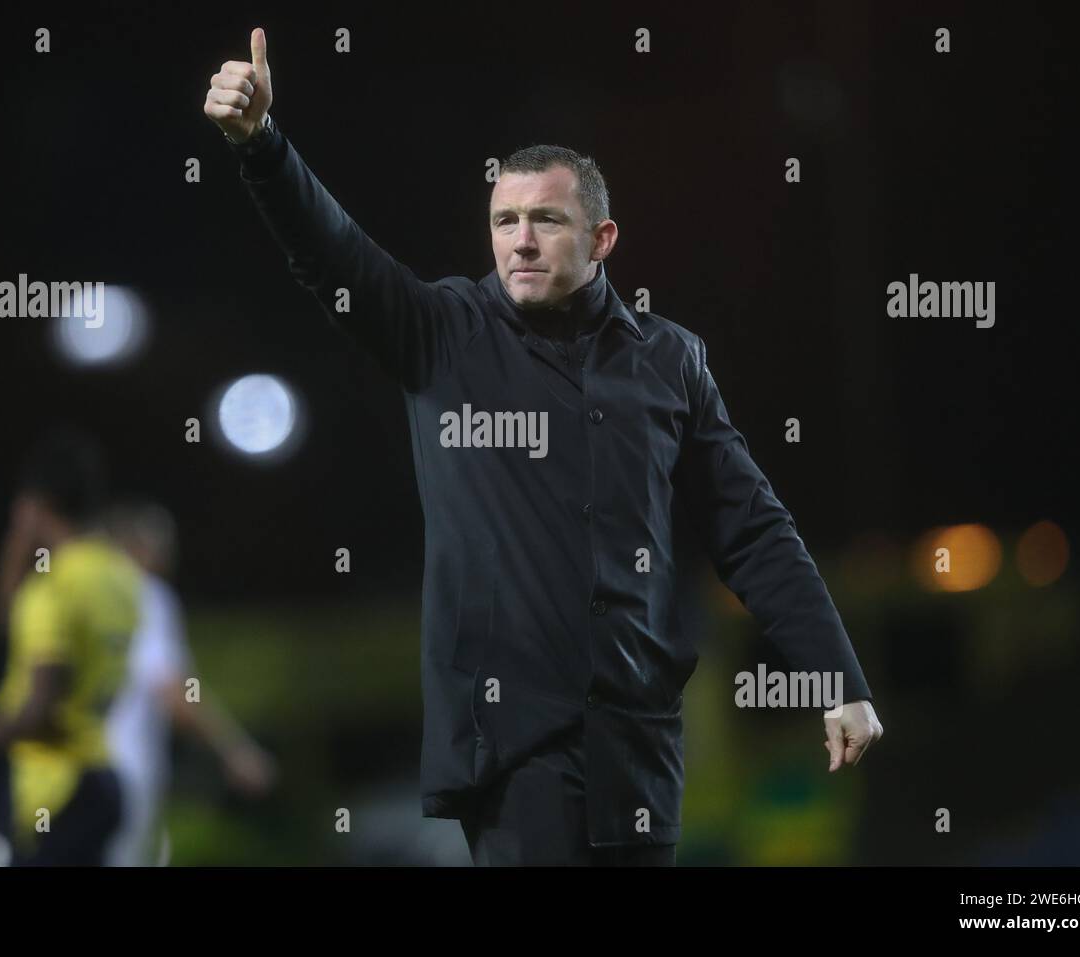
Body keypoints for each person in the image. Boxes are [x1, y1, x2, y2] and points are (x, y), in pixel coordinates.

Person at [203, 28, 883, 866]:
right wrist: (262, 145)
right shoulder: (443, 333)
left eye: (546, 220)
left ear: (602, 240)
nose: (520, 239)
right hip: (513, 742)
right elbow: (332, 252)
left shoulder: (670, 360)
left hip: (638, 745)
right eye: (504, 220)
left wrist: (836, 676)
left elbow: (753, 532)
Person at [0, 429, 141, 865]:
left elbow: (42, 701)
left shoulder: (52, 588)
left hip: (52, 789)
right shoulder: (121, 577)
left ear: (37, 504)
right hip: (102, 777)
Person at [101, 500, 278, 866]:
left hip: (62, 774)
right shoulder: (146, 594)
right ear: (131, 545)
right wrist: (234, 749)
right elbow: (171, 687)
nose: (168, 554)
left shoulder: (74, 595)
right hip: (123, 772)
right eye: (159, 543)